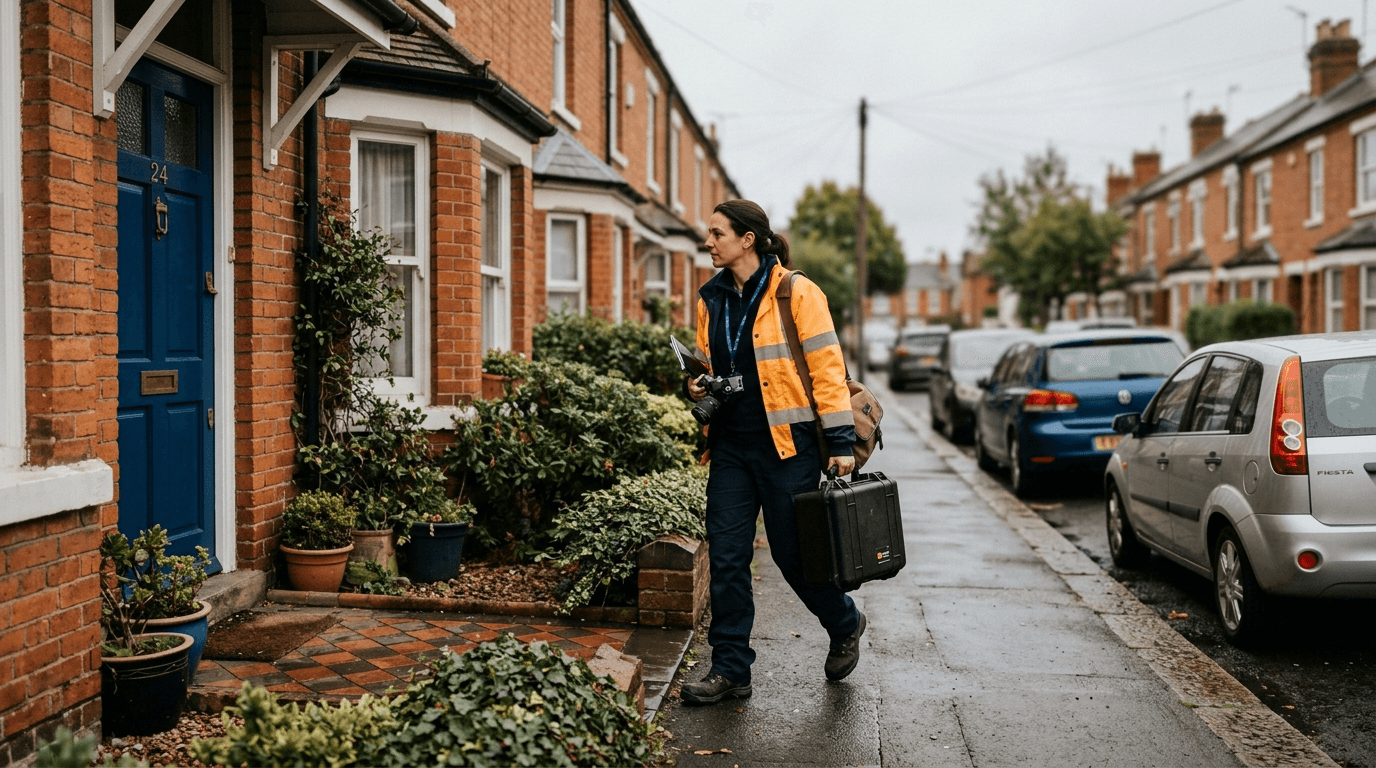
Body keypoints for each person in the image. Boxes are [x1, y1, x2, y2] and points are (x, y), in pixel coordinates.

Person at [679, 199, 865, 706]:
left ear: (747, 239)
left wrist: (841, 443)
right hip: (732, 447)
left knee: (794, 556)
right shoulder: (711, 298)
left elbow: (826, 369)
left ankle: (844, 621)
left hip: (789, 448)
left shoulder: (797, 292)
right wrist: (697, 387)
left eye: (717, 233)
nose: (708, 242)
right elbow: (709, 365)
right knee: (729, 557)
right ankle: (731, 669)